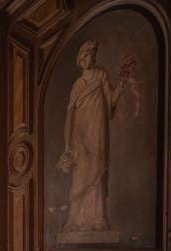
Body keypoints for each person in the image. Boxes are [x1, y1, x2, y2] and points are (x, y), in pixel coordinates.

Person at [58, 40, 126, 233]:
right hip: (79, 136)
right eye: (84, 55)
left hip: (97, 134)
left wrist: (120, 84)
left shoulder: (101, 76)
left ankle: (97, 219)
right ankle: (74, 221)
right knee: (80, 176)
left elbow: (110, 101)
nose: (87, 58)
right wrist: (67, 146)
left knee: (97, 174)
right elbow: (69, 116)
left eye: (90, 55)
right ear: (80, 58)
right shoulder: (77, 84)